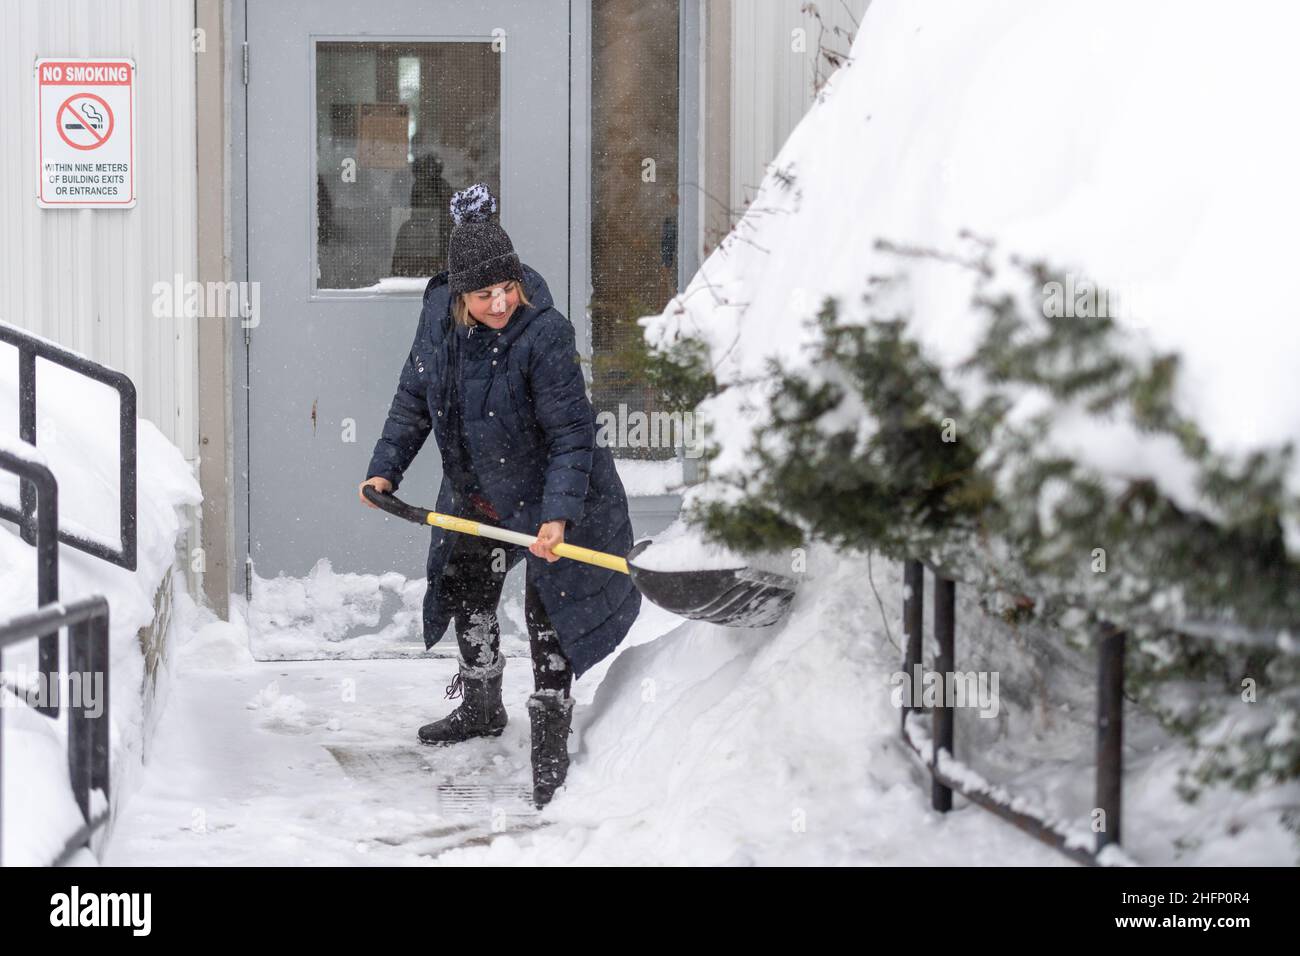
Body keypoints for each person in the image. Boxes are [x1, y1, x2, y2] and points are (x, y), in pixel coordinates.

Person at [359, 182, 641, 807]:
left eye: (506, 289)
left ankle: (550, 744)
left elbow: (572, 436)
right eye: (483, 294)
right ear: (459, 293)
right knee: (467, 584)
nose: (499, 303)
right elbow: (414, 398)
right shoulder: (440, 319)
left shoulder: (543, 333)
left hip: (552, 494)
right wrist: (386, 470)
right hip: (480, 489)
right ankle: (483, 706)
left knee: (552, 612)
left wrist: (558, 517)